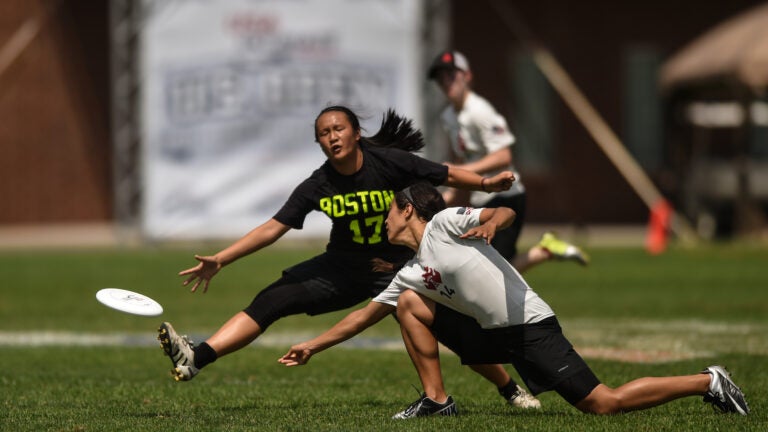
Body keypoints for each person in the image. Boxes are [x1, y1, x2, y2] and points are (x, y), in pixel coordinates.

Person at [157, 105, 540, 409]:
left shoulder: (388, 162)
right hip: (341, 268)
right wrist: (222, 259)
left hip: (397, 268)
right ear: (319, 144)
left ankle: (510, 390)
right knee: (272, 299)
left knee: (451, 333)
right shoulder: (319, 183)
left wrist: (487, 183)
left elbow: (444, 173)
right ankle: (197, 358)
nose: (331, 136)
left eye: (338, 128)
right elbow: (273, 227)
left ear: (356, 133)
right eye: (323, 133)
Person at [279, 182, 750, 418]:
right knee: (408, 307)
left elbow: (502, 206)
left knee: (601, 403)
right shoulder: (411, 271)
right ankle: (437, 400)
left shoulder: (443, 222)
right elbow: (363, 317)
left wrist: (492, 224)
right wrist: (312, 347)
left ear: (407, 210)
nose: (383, 222)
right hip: (489, 335)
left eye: (388, 212)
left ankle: (707, 381)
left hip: (529, 328)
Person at [426, 50, 588, 273]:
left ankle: (545, 251)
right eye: (440, 78)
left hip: (506, 197)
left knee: (490, 271)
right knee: (493, 269)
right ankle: (546, 249)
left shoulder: (479, 111)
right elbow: (463, 158)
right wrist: (451, 192)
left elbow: (503, 155)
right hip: (482, 199)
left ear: (467, 76)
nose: (446, 82)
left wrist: (460, 170)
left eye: (451, 75)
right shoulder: (449, 117)